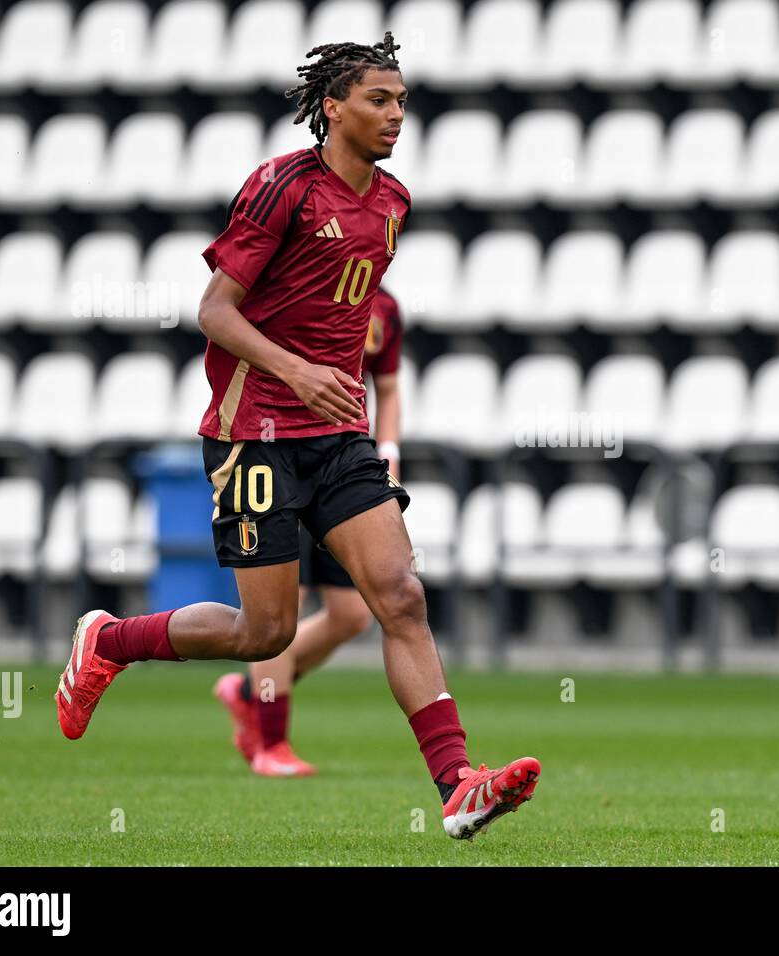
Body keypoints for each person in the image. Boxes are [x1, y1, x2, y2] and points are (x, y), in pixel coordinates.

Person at [54, 35, 540, 839]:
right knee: (266, 632)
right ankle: (111, 639)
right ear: (332, 107)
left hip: (337, 435)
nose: (396, 114)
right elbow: (215, 311)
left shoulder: (392, 204)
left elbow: (341, 313)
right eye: (380, 100)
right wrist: (297, 370)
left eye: (402, 100)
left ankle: (458, 785)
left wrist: (351, 403)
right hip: (254, 435)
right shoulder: (282, 187)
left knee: (402, 597)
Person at [214, 287, 404, 777]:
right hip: (276, 453)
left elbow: (387, 386)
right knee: (280, 614)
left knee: (351, 616)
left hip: (340, 462)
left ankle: (250, 691)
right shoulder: (293, 289)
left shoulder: (381, 306)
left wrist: (389, 452)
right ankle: (271, 742)